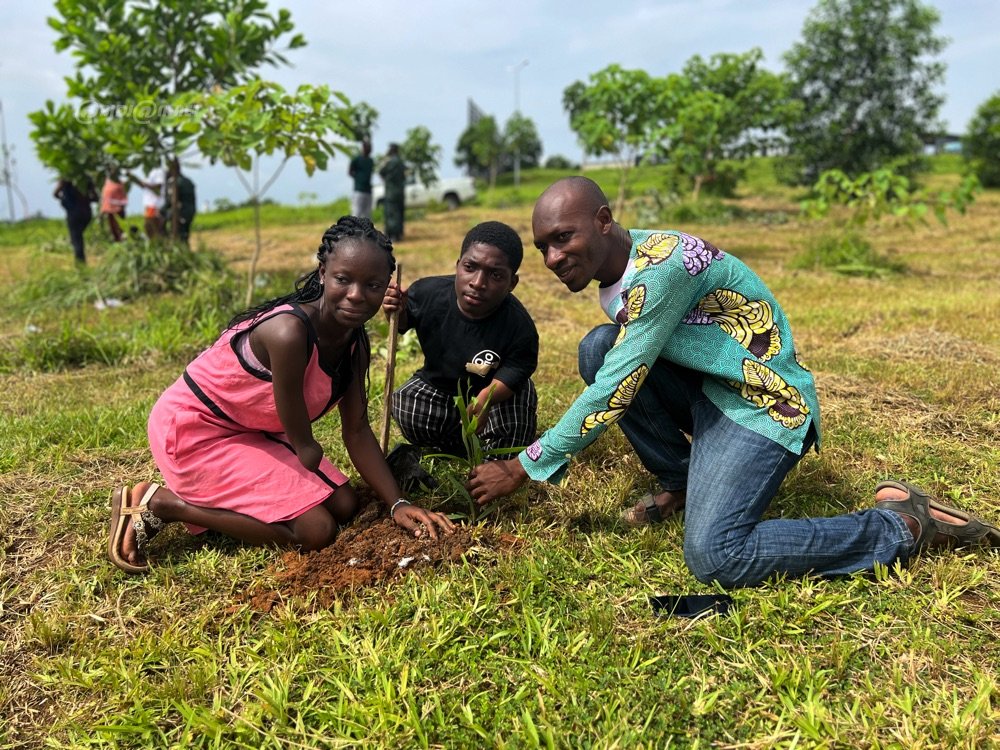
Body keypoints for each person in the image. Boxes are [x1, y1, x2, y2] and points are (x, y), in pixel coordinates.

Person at [467, 176, 1000, 588]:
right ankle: (684, 481)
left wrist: (523, 464)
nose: (553, 257)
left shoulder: (660, 270)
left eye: (563, 238)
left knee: (717, 555)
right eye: (543, 247)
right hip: (713, 390)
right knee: (599, 347)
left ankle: (901, 526)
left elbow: (616, 388)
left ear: (604, 220)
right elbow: (620, 365)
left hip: (763, 405)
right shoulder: (621, 267)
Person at [107, 216, 455, 574]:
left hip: (251, 431)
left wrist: (397, 502)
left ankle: (219, 499)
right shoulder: (288, 332)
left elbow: (356, 430)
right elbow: (301, 440)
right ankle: (165, 504)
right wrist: (304, 454)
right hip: (196, 431)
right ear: (322, 273)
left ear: (387, 289)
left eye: (373, 284)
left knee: (346, 503)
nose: (356, 294)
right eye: (343, 279)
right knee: (316, 529)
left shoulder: (355, 344)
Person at [382, 221, 538, 476]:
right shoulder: (427, 293)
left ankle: (496, 460)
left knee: (522, 395)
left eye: (495, 275)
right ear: (458, 265)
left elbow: (519, 368)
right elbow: (404, 320)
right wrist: (395, 309)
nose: (478, 282)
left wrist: (487, 398)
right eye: (470, 267)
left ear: (512, 282)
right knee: (405, 400)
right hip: (442, 390)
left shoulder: (519, 326)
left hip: (492, 396)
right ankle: (455, 445)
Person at [53, 177, 96, 263]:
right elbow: (95, 197)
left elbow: (55, 194)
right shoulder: (87, 179)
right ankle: (81, 262)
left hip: (73, 213)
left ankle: (80, 264)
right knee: (78, 237)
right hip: (86, 213)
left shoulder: (65, 180)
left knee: (76, 239)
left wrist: (64, 200)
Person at [164, 158, 197, 244]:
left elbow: (169, 201)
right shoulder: (187, 181)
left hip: (181, 212)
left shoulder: (175, 183)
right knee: (185, 234)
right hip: (189, 212)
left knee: (180, 235)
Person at [378, 143, 406, 242]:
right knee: (399, 212)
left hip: (391, 192)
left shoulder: (389, 162)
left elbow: (381, 171)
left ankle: (392, 235)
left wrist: (385, 158)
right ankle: (399, 234)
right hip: (400, 192)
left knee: (391, 213)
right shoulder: (401, 162)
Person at [99, 168, 128, 242]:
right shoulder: (107, 182)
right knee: (111, 227)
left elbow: (123, 197)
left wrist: (122, 208)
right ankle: (116, 241)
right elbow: (105, 197)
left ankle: (121, 240)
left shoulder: (120, 184)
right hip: (107, 209)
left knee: (118, 227)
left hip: (117, 209)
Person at [137, 164, 165, 239]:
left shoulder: (158, 171)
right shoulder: (149, 172)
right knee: (148, 227)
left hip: (154, 204)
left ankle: (157, 244)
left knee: (153, 227)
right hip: (149, 204)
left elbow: (159, 185)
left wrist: (145, 185)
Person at [348, 140, 375, 219]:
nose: (370, 150)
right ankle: (354, 230)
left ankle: (366, 231)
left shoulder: (370, 161)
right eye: (368, 148)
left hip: (368, 190)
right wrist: (358, 179)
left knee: (367, 214)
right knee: (356, 212)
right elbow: (350, 171)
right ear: (363, 148)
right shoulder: (356, 159)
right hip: (359, 190)